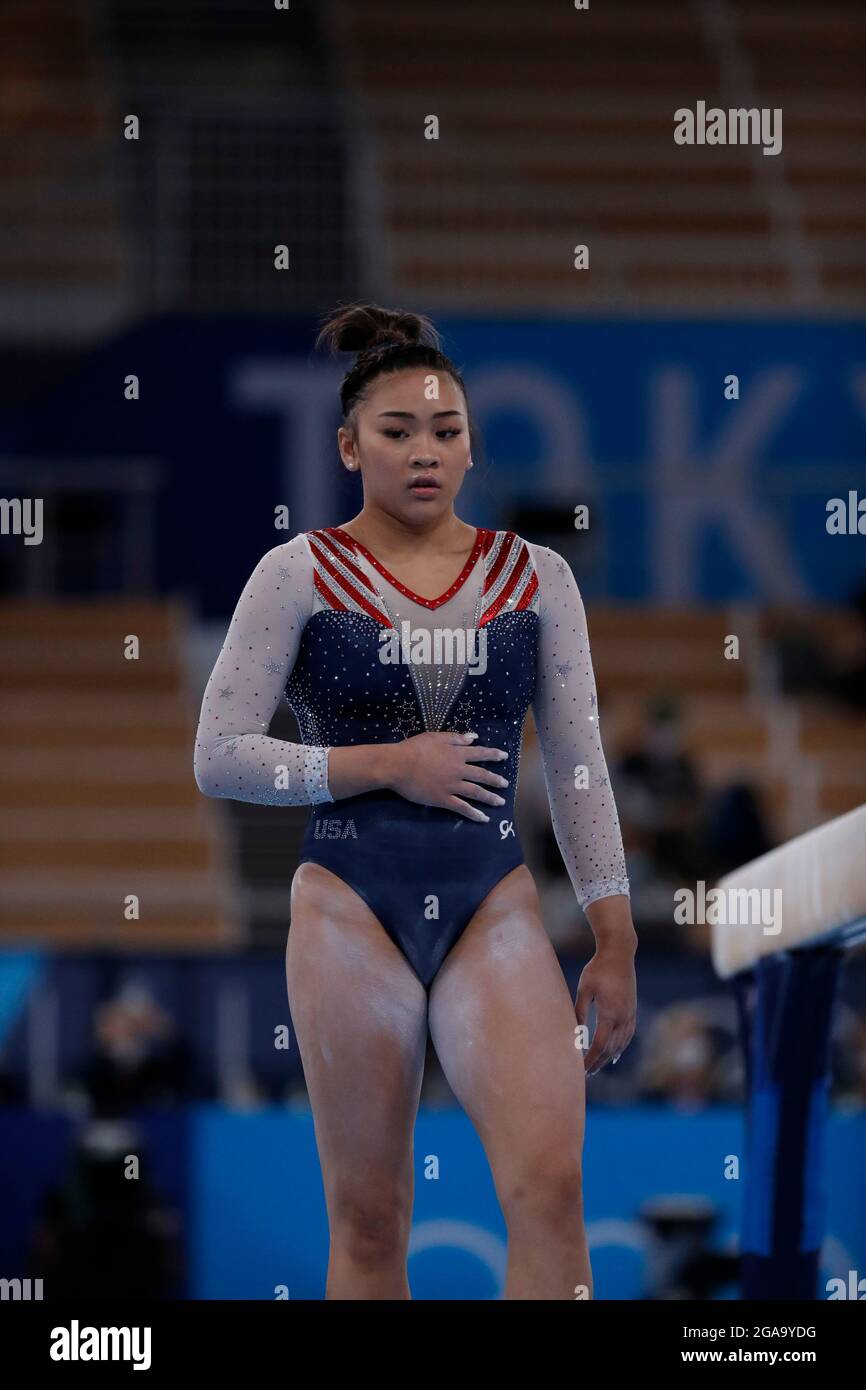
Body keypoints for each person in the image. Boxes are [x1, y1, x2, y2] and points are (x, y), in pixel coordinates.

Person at [193, 303, 637, 1300]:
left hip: (491, 898)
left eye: (444, 432)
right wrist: (382, 763)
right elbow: (217, 756)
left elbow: (576, 764)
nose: (423, 451)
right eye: (396, 432)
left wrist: (615, 939)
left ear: (473, 446)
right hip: (351, 899)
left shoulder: (535, 576)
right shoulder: (296, 573)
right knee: (368, 1211)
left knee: (550, 1187)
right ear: (349, 444)